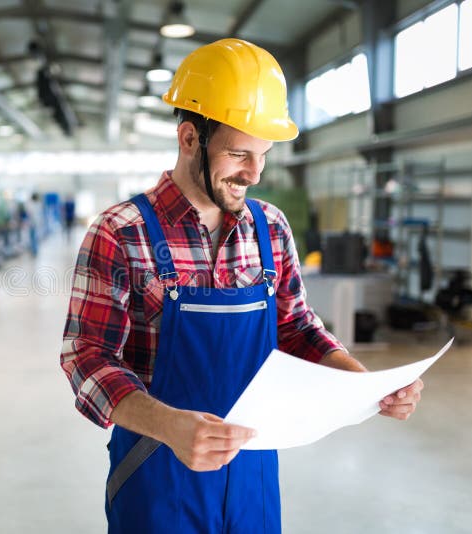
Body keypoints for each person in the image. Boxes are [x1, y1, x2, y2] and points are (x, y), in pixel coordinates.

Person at [60, 39, 424, 533]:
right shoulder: (122, 231)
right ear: (189, 138)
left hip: (254, 471)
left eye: (263, 155)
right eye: (238, 154)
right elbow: (87, 356)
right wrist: (170, 426)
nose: (253, 174)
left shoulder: (269, 228)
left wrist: (364, 383)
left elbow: (294, 326)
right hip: (157, 468)